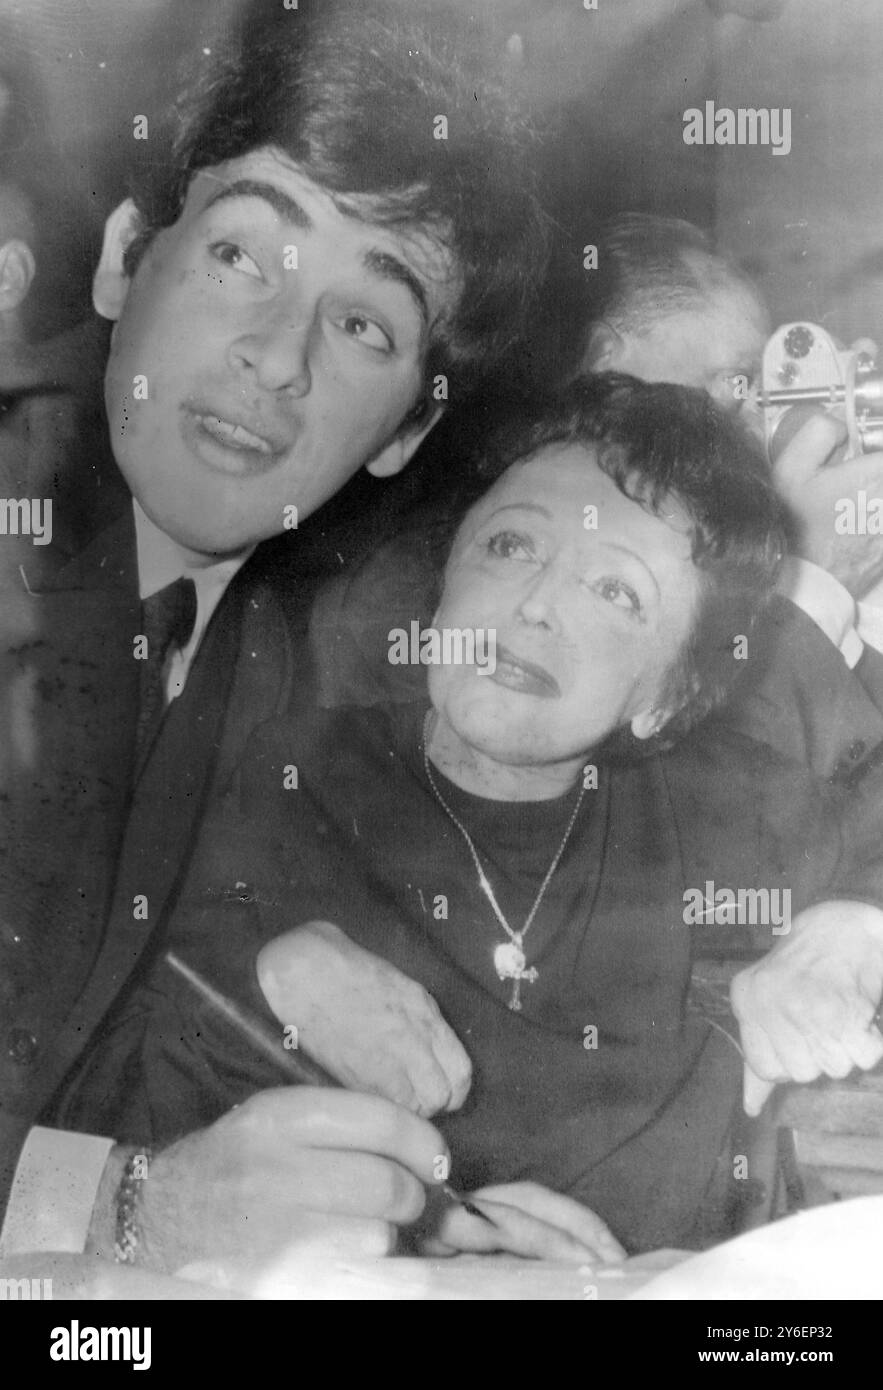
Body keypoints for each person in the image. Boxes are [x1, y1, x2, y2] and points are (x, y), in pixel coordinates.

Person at [55, 376, 883, 1254]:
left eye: (616, 593)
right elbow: (79, 1133)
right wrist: (262, 982)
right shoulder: (276, 771)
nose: (535, 604)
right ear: (446, 581)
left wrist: (853, 927)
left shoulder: (716, 809)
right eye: (512, 545)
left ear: (666, 697)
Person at [0, 0, 553, 1280]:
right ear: (127, 257)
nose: (277, 359)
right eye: (246, 254)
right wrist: (134, 1211)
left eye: (363, 324)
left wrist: (415, 1214)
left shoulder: (247, 653)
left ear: (406, 431)